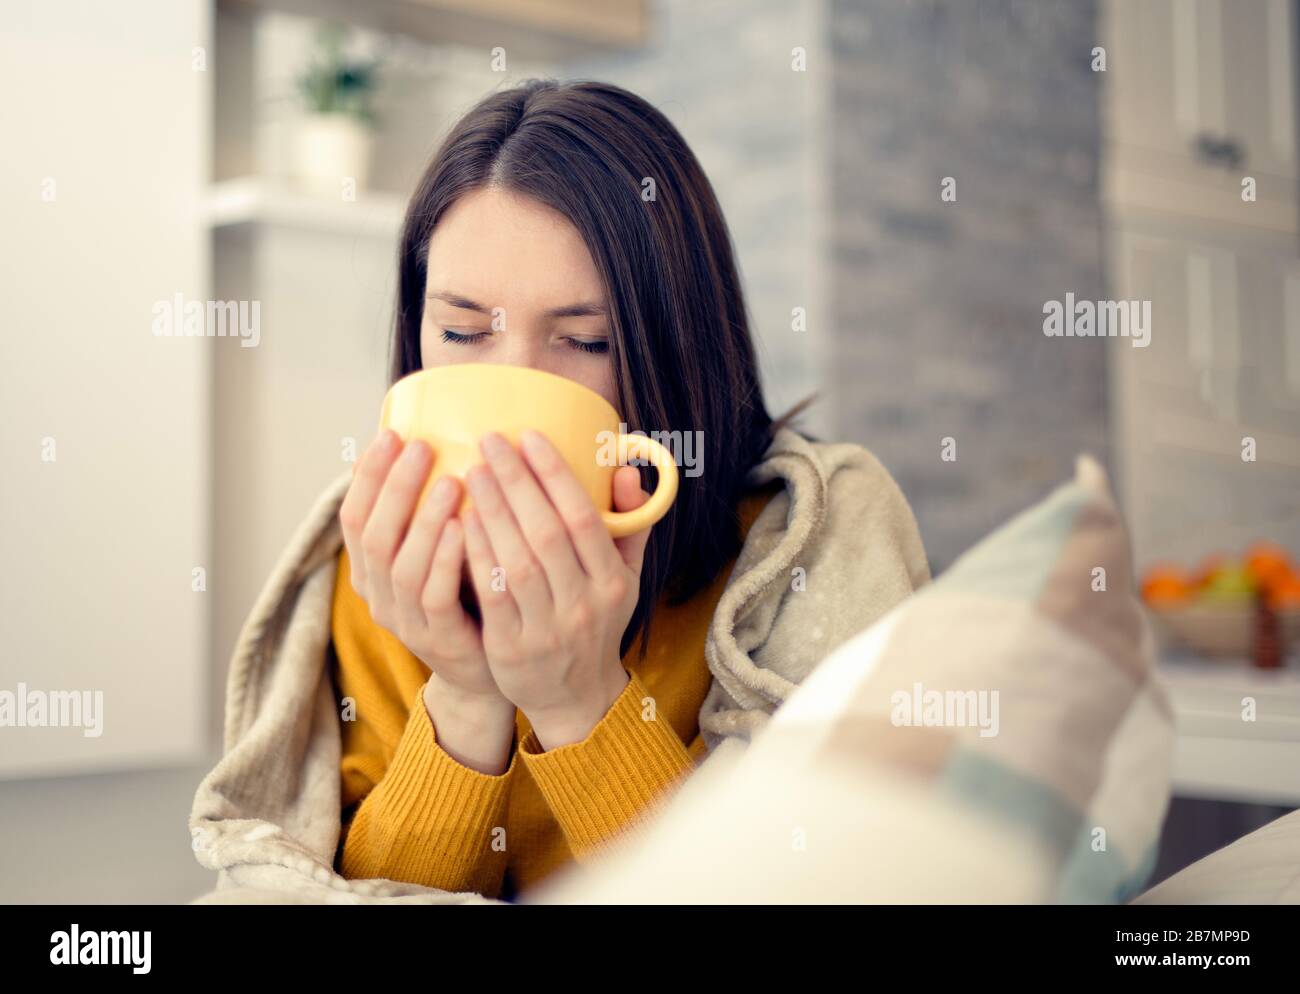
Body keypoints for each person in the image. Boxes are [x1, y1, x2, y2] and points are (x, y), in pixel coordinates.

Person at [189, 78, 930, 905]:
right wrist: (466, 699)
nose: (514, 395)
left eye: (585, 340)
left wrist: (580, 699)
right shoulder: (378, 561)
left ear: (675, 345)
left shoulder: (817, 535)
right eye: (463, 331)